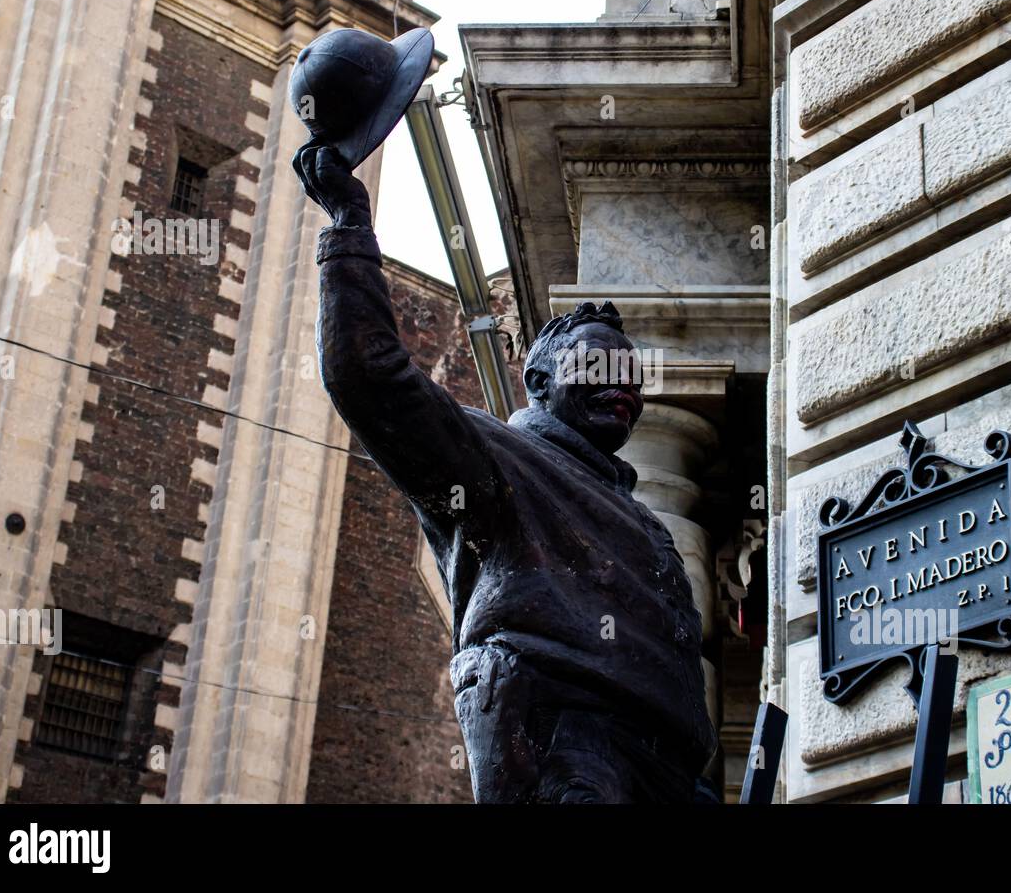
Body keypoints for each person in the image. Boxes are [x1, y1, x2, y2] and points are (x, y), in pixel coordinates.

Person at [294, 142, 718, 803]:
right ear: (541, 381)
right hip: (569, 757)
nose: (623, 386)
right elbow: (370, 375)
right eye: (600, 366)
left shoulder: (643, 521)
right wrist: (349, 229)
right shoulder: (500, 458)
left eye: (633, 377)